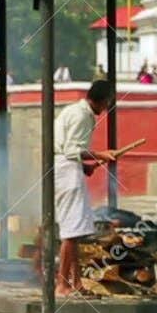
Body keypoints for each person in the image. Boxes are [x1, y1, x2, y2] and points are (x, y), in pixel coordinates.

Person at [51, 80, 117, 297]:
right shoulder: (81, 115)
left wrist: (86, 166)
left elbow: (71, 151)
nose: (106, 107)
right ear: (102, 100)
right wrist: (100, 154)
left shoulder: (74, 111)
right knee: (71, 231)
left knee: (75, 230)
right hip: (66, 171)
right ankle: (62, 285)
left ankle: (76, 282)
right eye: (107, 102)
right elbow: (71, 149)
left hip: (67, 167)